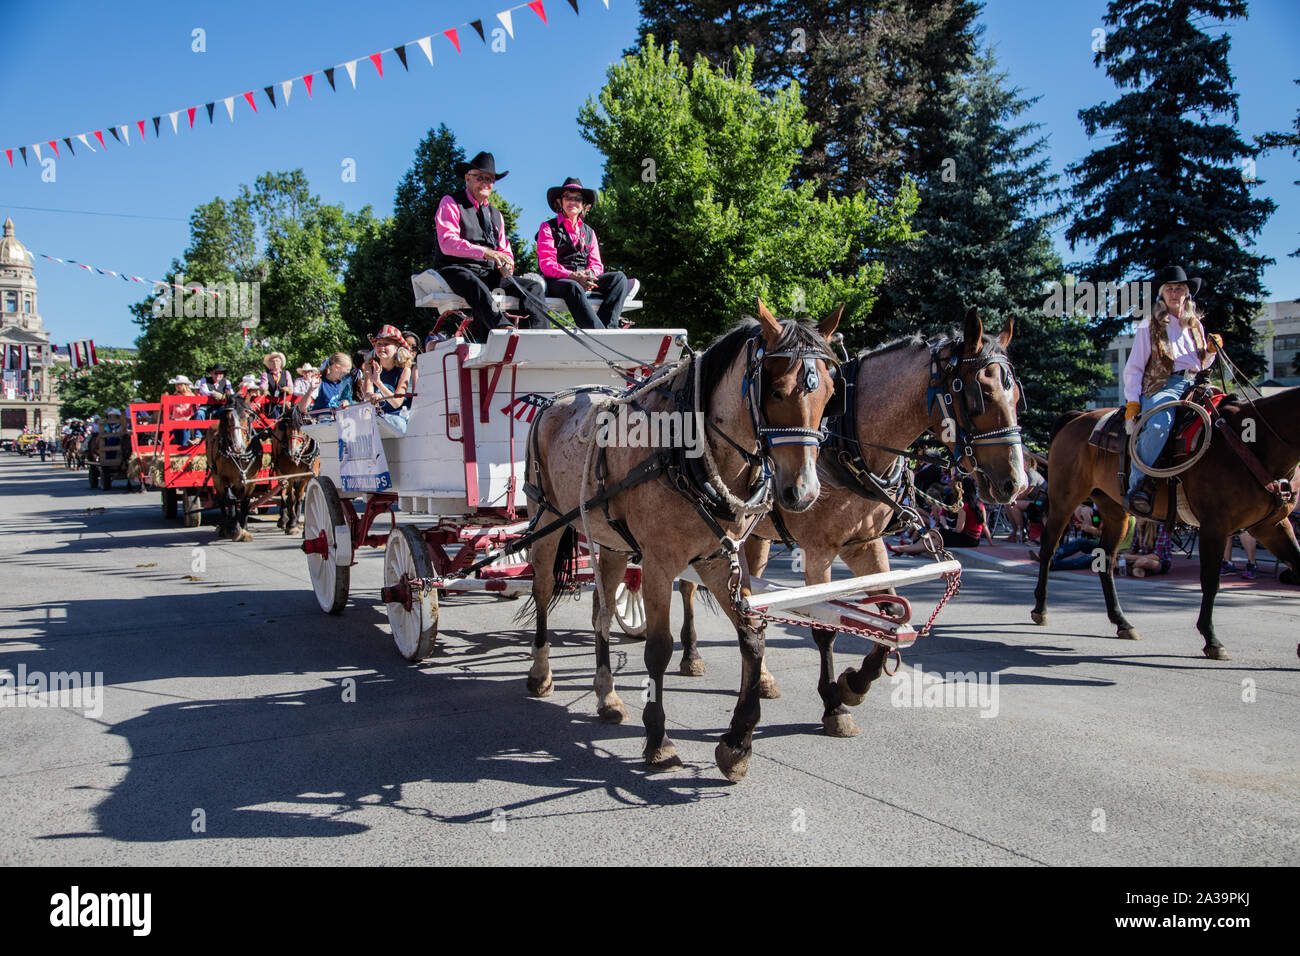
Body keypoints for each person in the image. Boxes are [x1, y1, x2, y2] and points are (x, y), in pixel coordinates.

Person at [1122, 266, 1221, 516]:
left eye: (1179, 289)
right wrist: (1133, 403)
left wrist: (1210, 351)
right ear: (1162, 294)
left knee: (1226, 418)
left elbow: (1202, 362)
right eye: (1170, 289)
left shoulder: (1196, 325)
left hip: (1197, 383)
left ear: (1187, 294)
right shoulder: (1150, 325)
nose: (1175, 293)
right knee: (1158, 426)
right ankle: (1138, 487)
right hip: (1163, 386)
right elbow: (1133, 368)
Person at [432, 150, 549, 339]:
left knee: (532, 287)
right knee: (473, 282)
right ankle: (502, 328)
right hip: (455, 268)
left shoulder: (495, 215)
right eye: (480, 177)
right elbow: (447, 242)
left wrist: (507, 264)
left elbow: (505, 250)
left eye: (490, 179)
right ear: (467, 178)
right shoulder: (451, 202)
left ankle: (541, 337)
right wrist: (485, 253)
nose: (485, 183)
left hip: (487, 272)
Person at [536, 176, 633, 329]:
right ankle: (595, 332)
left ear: (583, 205)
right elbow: (547, 264)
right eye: (568, 197)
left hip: (585, 277)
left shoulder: (589, 232)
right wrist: (573, 276)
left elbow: (597, 264)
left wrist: (589, 276)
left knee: (619, 278)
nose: (572, 202)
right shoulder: (548, 227)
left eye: (577, 199)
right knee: (572, 287)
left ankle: (608, 330)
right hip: (560, 280)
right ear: (560, 202)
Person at [891, 477, 992, 553]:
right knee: (936, 538)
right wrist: (991, 543)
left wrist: (948, 529)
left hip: (966, 539)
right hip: (975, 540)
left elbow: (959, 529)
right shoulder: (980, 505)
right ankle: (907, 548)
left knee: (936, 534)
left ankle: (907, 547)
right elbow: (984, 525)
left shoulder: (964, 506)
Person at [361, 325, 412, 434]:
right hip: (376, 416)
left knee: (398, 425)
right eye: (379, 344)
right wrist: (373, 396)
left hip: (398, 416)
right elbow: (367, 394)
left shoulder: (405, 370)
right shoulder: (369, 366)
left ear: (396, 348)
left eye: (386, 344)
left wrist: (378, 383)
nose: (381, 347)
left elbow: (396, 403)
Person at [302, 353, 355, 417]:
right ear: (336, 367)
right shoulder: (320, 383)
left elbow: (352, 401)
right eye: (346, 371)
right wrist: (311, 389)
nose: (347, 374)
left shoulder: (346, 384)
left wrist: (347, 402)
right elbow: (302, 408)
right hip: (322, 423)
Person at [259, 351, 294, 417]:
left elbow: (291, 388)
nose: (275, 363)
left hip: (285, 403)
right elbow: (263, 385)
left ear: (280, 362)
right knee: (275, 416)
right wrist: (264, 390)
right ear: (270, 363)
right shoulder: (266, 374)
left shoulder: (286, 373)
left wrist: (288, 389)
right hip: (271, 404)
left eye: (277, 361)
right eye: (272, 361)